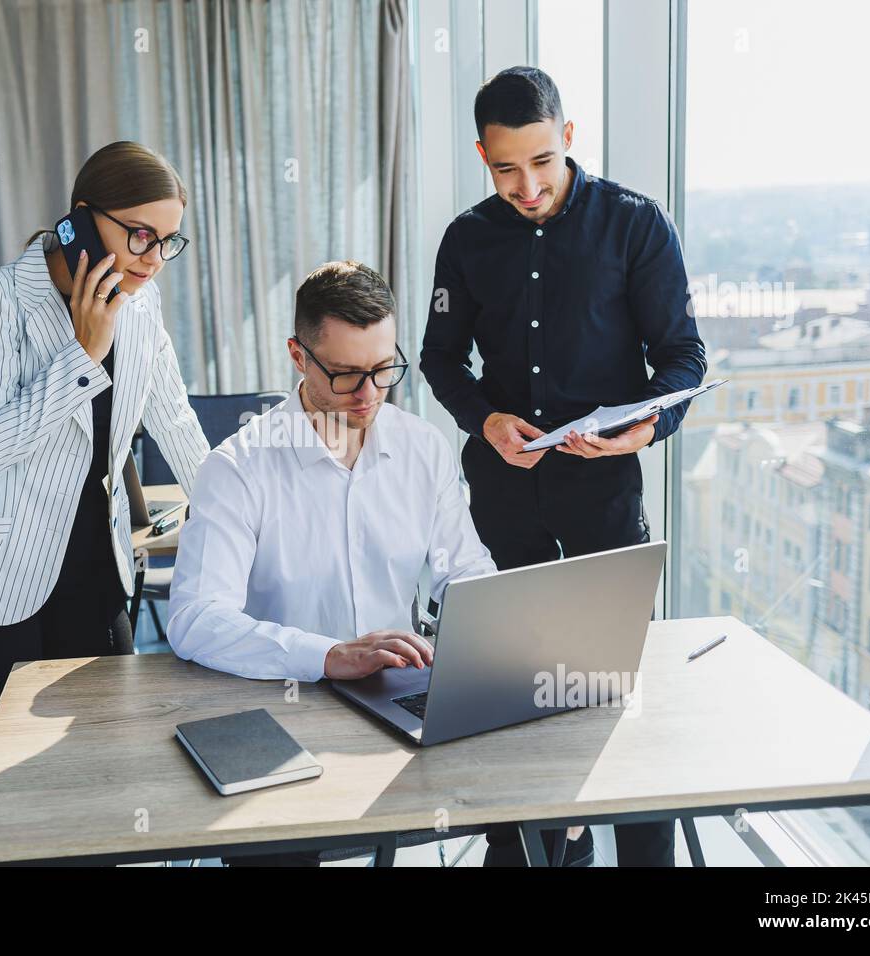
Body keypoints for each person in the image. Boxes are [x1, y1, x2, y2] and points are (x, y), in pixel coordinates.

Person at [420, 66, 707, 867]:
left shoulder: (636, 225)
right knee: (510, 701)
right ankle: (533, 852)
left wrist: (643, 431)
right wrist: (484, 419)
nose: (527, 184)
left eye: (542, 161)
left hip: (604, 501)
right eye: (506, 167)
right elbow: (439, 359)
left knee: (621, 701)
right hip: (501, 501)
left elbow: (683, 357)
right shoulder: (467, 237)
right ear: (483, 155)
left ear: (569, 138)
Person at [167, 260, 499, 866]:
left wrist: (497, 626)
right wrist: (327, 655)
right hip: (278, 708)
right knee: (275, 850)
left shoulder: (422, 448)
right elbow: (194, 619)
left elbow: (464, 573)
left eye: (383, 370)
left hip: (399, 702)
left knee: (542, 808)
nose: (370, 394)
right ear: (299, 356)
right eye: (346, 375)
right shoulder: (237, 469)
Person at [0, 141, 210, 747]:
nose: (154, 260)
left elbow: (174, 420)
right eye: (140, 235)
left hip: (99, 569)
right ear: (81, 217)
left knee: (111, 757)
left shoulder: (141, 300)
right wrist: (82, 354)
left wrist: (242, 514)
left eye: (168, 241)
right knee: (14, 786)